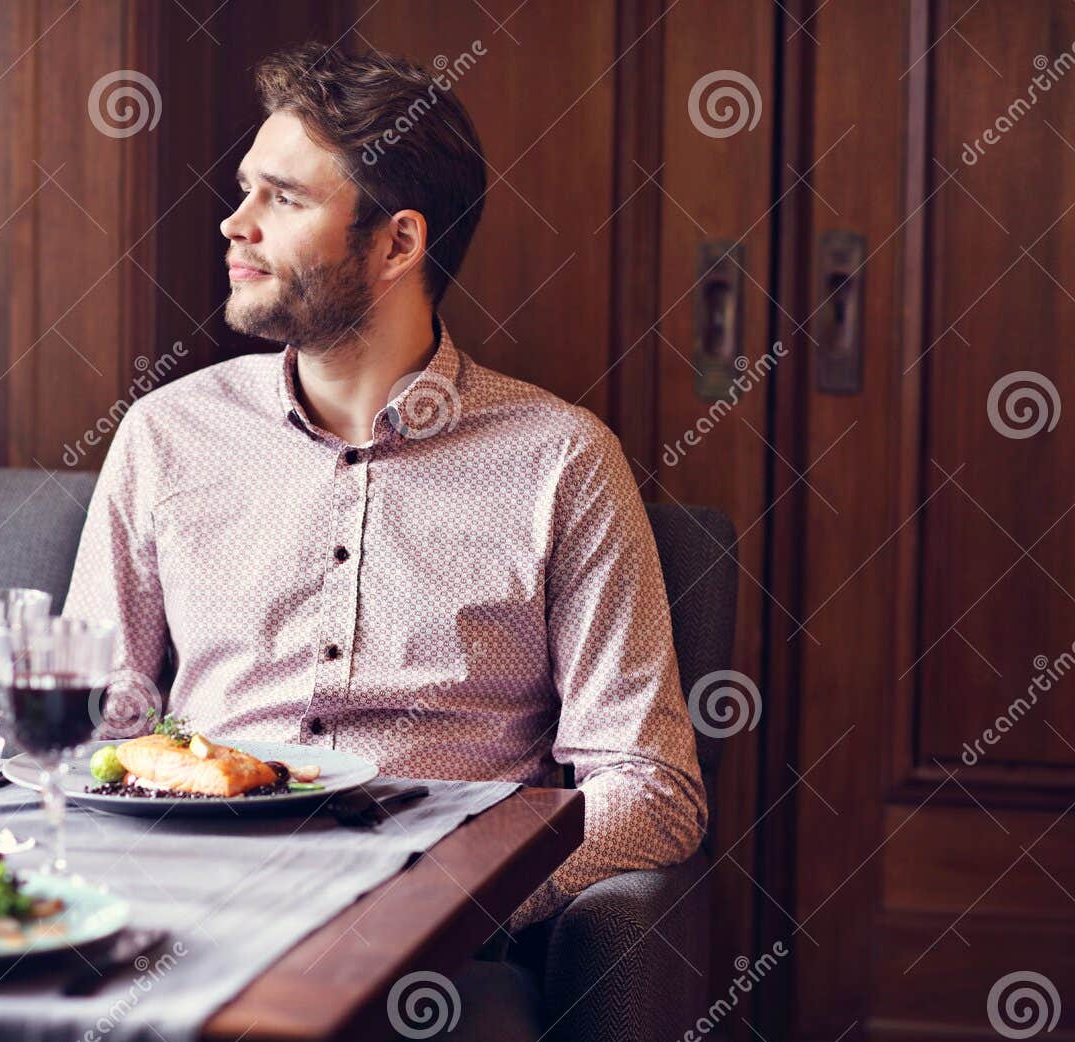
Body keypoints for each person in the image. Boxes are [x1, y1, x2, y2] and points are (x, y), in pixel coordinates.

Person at [63, 41, 704, 962]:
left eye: (282, 198)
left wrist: (448, 902)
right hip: (188, 913)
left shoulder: (563, 461)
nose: (233, 224)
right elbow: (99, 710)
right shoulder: (167, 434)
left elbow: (649, 789)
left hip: (430, 954)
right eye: (247, 190)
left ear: (399, 241)